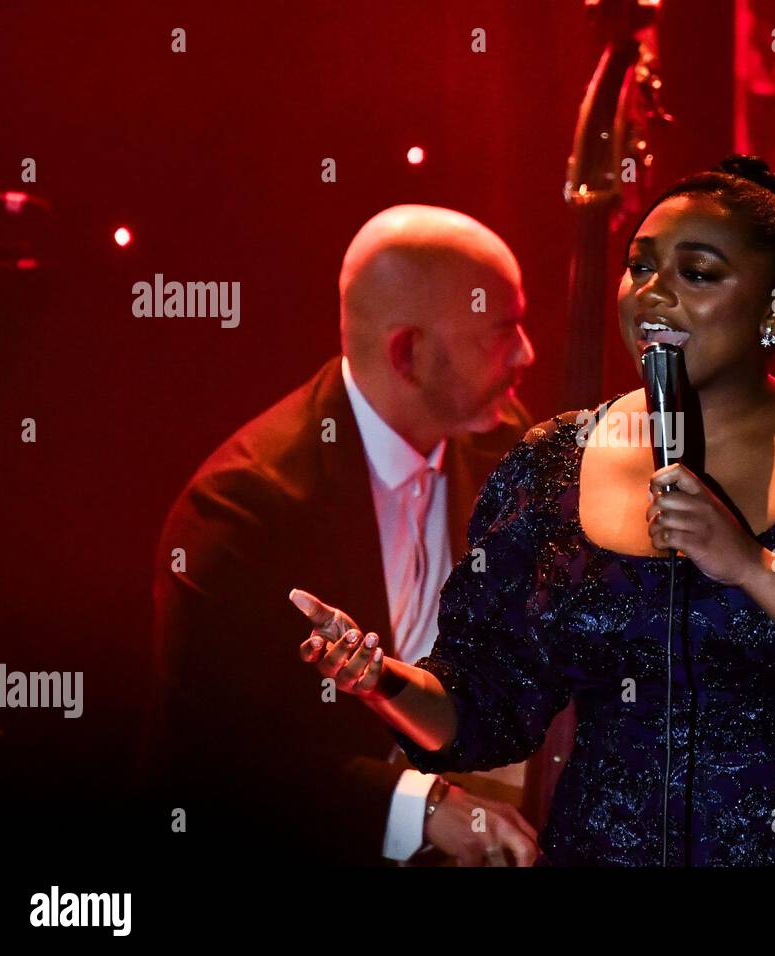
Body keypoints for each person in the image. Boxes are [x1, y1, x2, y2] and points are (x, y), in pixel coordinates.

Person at [293, 157, 775, 865]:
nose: (650, 295)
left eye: (696, 273)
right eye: (640, 268)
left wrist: (754, 568)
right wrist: (378, 678)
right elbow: (483, 709)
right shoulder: (548, 466)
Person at [148, 205, 540, 865]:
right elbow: (216, 764)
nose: (527, 353)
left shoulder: (501, 439)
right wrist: (422, 810)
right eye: (501, 332)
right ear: (407, 352)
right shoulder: (244, 510)